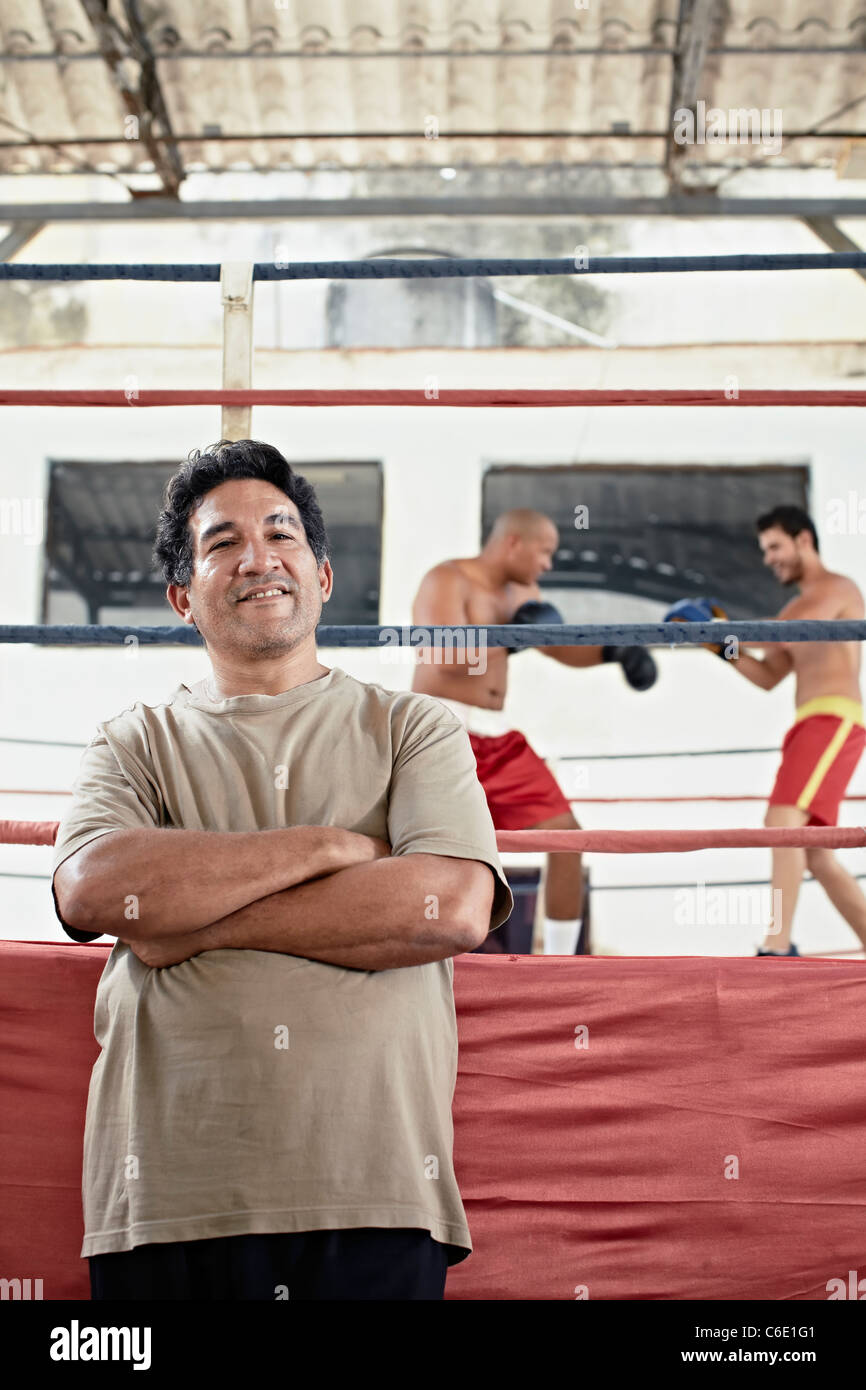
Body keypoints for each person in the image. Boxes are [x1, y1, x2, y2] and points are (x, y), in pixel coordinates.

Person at [51, 439, 513, 1301]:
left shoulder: (413, 728)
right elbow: (92, 889)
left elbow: (446, 905)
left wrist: (189, 920)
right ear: (183, 596)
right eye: (222, 543)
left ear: (323, 576)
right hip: (165, 1202)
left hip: (375, 1193)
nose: (257, 557)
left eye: (282, 533)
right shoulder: (133, 741)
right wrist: (327, 848)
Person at [411, 508, 656, 956]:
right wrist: (510, 636)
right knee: (441, 853)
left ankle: (560, 963)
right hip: (441, 733)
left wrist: (612, 651)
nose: (547, 564)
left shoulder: (522, 592)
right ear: (513, 544)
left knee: (567, 837)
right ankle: (423, 959)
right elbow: (442, 653)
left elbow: (553, 642)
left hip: (497, 737)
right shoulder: (448, 580)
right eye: (544, 553)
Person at [719, 504, 865, 956]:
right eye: (765, 550)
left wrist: (717, 625)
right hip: (811, 723)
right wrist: (714, 644)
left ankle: (776, 946)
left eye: (775, 546)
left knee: (782, 823)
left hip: (834, 719)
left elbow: (780, 632)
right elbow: (767, 675)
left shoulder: (833, 589)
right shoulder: (795, 611)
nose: (769, 558)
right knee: (813, 850)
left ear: (804, 540)